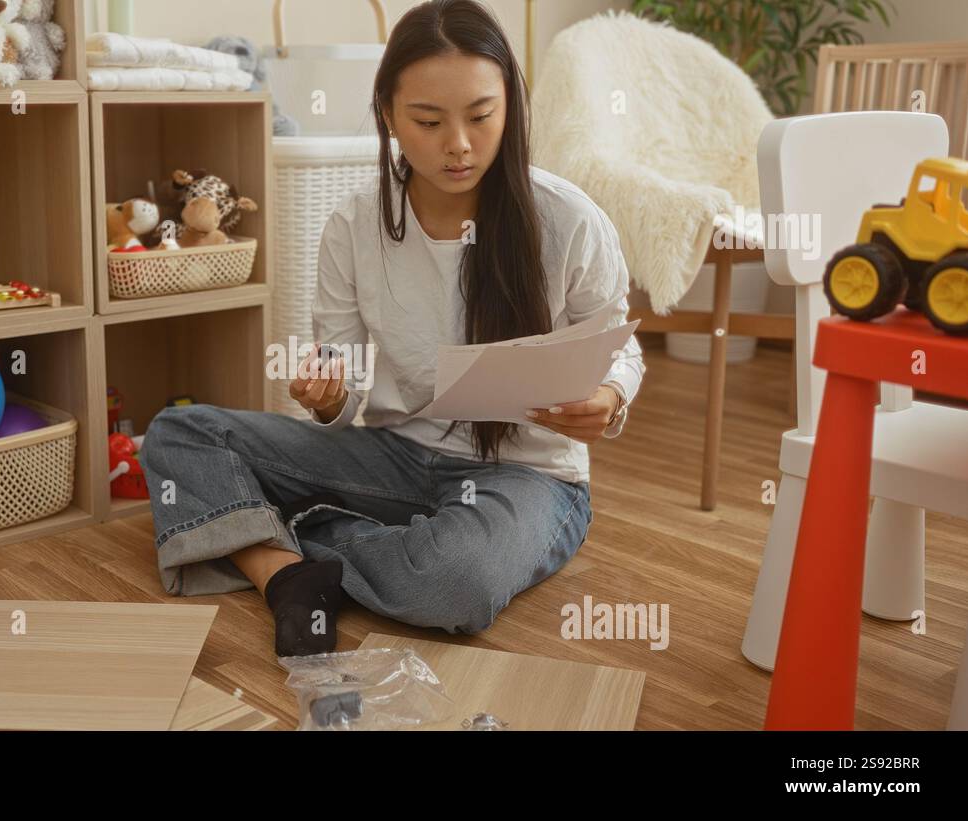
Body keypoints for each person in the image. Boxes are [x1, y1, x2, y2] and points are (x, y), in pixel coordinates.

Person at [138, 0, 644, 656]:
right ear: (388, 114)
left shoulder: (567, 220)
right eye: (429, 121)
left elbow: (617, 346)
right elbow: (343, 382)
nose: (458, 144)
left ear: (510, 108)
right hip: (396, 455)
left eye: (482, 115)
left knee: (457, 581)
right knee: (180, 432)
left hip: (527, 475)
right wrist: (326, 395)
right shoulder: (354, 225)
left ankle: (278, 534)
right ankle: (285, 574)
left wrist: (608, 399)